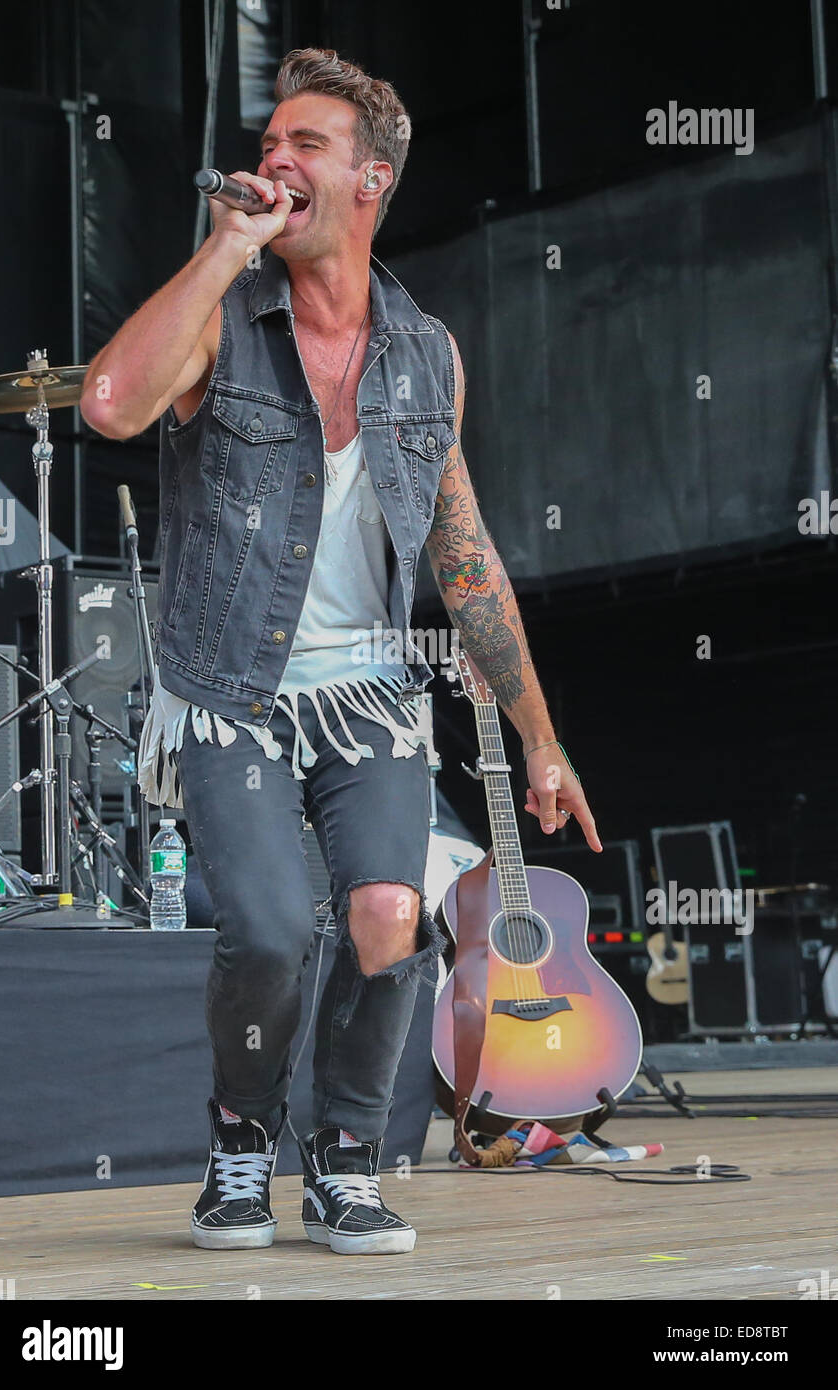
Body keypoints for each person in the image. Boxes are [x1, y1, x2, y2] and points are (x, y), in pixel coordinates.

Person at [80, 47, 600, 1257]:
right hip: (228, 689)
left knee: (385, 910)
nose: (274, 160)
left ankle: (348, 1160)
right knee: (269, 930)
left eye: (303, 145)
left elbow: (465, 559)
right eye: (268, 144)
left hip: (367, 693)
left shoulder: (425, 353)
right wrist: (224, 248)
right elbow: (108, 405)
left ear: (369, 179)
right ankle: (240, 1142)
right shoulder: (222, 320)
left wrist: (539, 737)